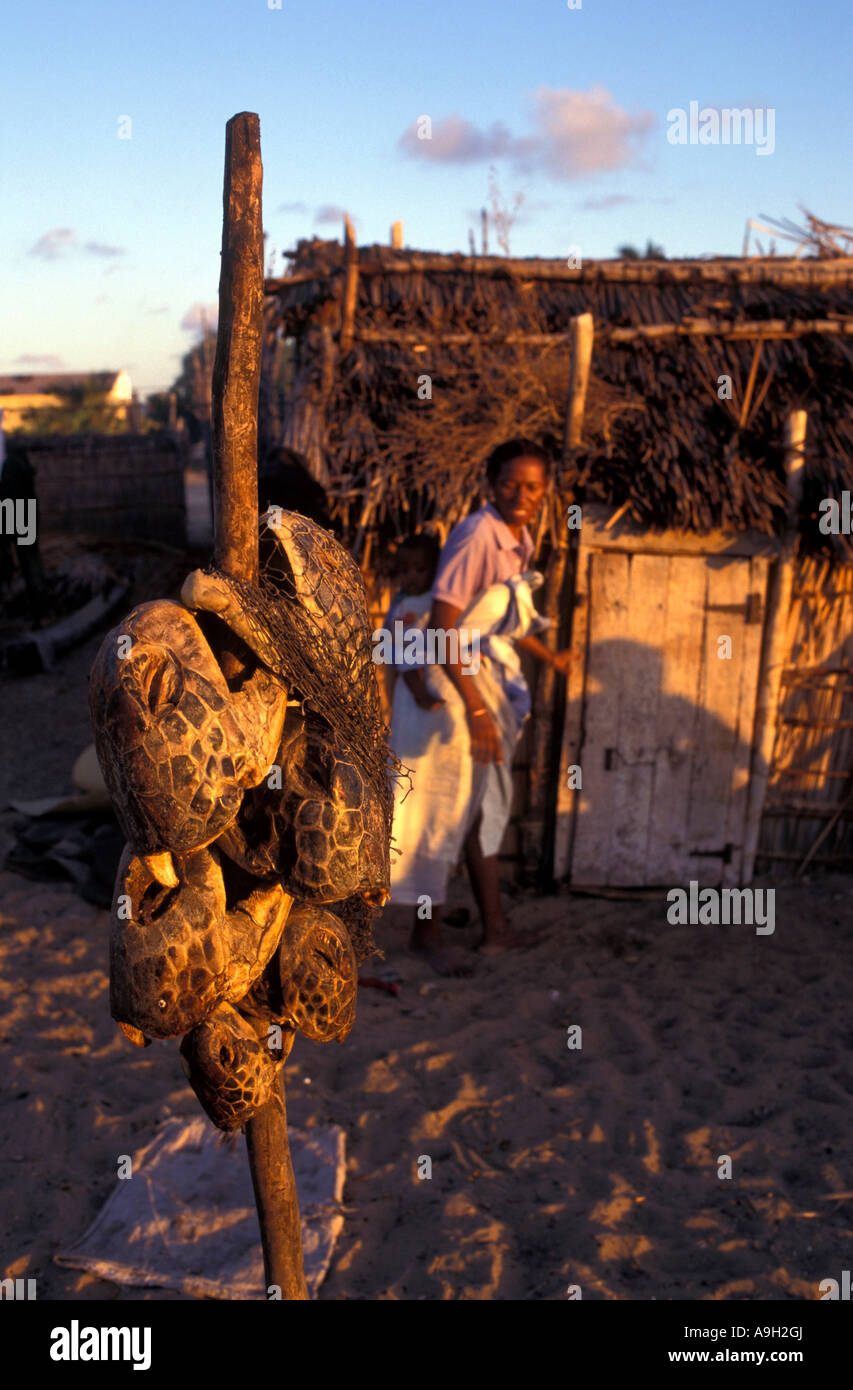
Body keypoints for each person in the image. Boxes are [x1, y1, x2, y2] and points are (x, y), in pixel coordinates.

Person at [388, 438, 572, 976]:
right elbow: (445, 628)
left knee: (482, 807)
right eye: (510, 483)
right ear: (491, 484)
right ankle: (426, 936)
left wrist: (549, 657)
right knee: (441, 809)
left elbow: (500, 620)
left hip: (476, 683)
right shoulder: (476, 536)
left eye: (533, 486)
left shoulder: (519, 538)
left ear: (545, 491)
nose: (522, 494)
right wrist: (475, 710)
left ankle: (495, 930)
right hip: (447, 690)